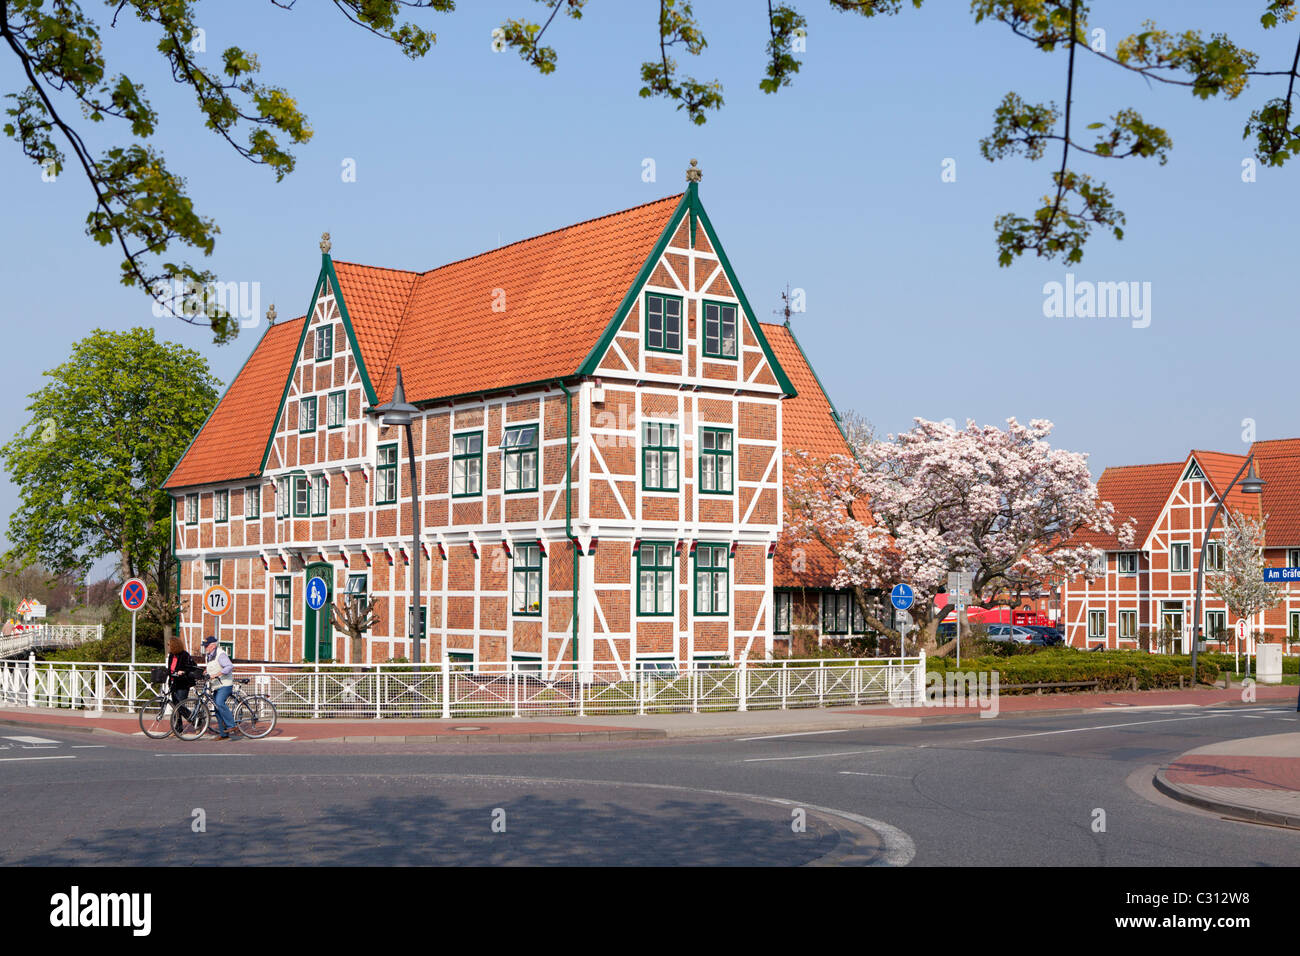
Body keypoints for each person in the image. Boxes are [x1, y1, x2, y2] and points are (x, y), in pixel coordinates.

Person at [201, 636, 238, 739]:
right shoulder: (209, 655)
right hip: (217, 685)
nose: (205, 648)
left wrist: (217, 674)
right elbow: (214, 666)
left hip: (225, 684)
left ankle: (232, 725)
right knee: (217, 709)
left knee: (219, 702)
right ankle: (224, 734)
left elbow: (229, 666)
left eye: (206, 646)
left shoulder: (220, 654)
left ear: (213, 645)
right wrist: (206, 672)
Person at [165, 637, 202, 721]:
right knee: (175, 707)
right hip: (173, 682)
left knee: (180, 706)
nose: (168, 646)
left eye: (169, 645)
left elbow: (192, 666)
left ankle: (196, 721)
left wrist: (183, 671)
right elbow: (170, 668)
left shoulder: (184, 655)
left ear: (174, 645)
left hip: (183, 683)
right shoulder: (171, 655)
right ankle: (178, 729)